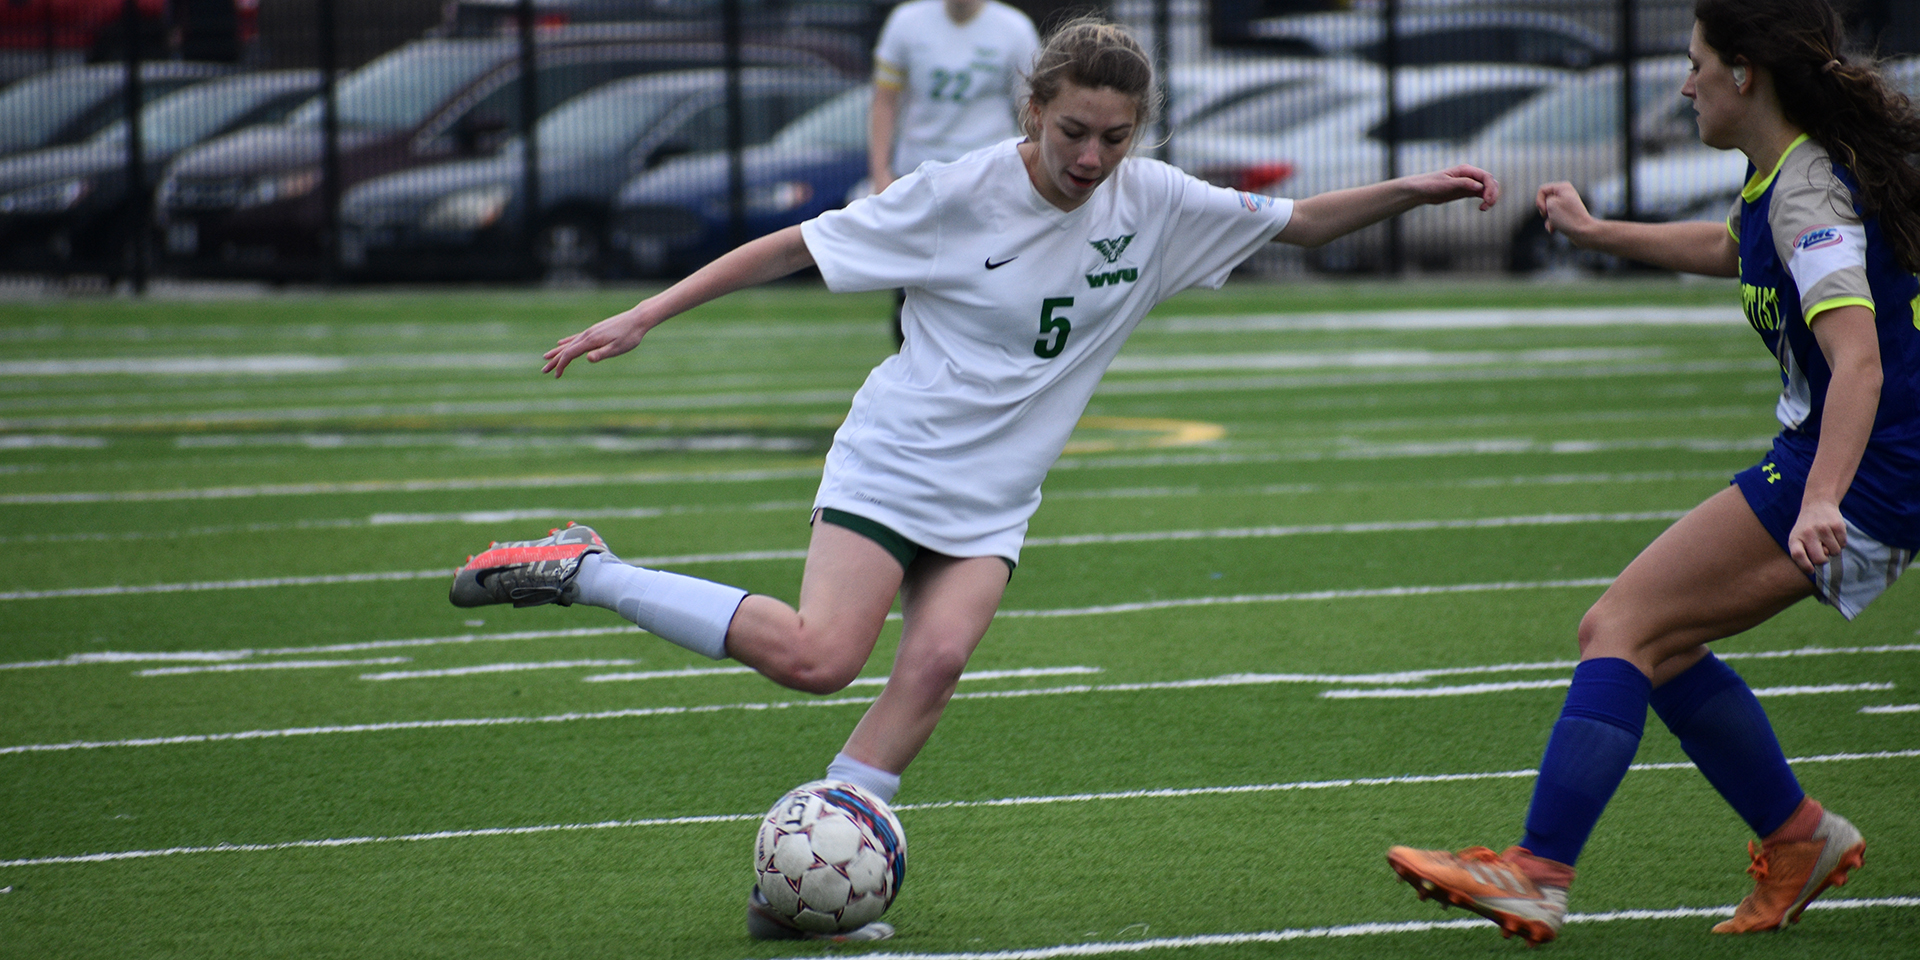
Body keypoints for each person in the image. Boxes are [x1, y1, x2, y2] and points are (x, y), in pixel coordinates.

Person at [449, 15, 1500, 943]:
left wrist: (1414, 187)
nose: (1091, 156)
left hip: (999, 494)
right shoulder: (958, 196)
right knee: (820, 658)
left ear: (1139, 132)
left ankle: (800, 894)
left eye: (1114, 136)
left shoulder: (1155, 204)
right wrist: (644, 313)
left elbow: (1299, 224)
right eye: (1072, 131)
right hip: (898, 458)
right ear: (1031, 109)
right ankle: (587, 569)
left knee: (939, 662)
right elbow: (789, 248)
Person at [1387, 0, 1919, 946]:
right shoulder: (1780, 178)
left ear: (1744, 72)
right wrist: (1599, 234)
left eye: (1694, 63)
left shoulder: (1806, 193)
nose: (1684, 84)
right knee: (1658, 646)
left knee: (1621, 628)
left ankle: (1537, 874)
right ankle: (1799, 839)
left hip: (1867, 463)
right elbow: (1731, 249)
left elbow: (1862, 363)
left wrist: (1827, 498)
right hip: (1844, 452)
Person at [869, 0, 1041, 347]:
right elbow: (885, 101)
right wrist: (880, 174)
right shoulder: (906, 22)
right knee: (912, 292)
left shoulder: (1015, 29)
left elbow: (1032, 109)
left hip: (989, 181)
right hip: (918, 176)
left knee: (987, 285)